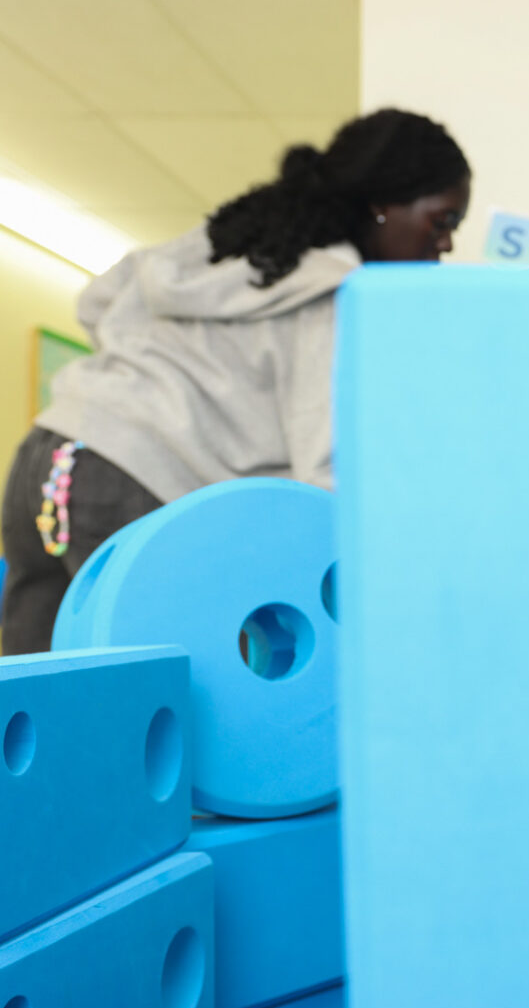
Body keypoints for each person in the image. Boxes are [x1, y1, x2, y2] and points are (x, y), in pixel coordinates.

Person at [0, 108, 471, 655]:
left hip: (48, 454)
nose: (447, 247)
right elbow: (323, 472)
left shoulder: (226, 251)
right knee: (160, 686)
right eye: (443, 222)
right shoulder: (334, 293)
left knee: (32, 699)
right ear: (381, 206)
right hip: (131, 480)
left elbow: (99, 301)